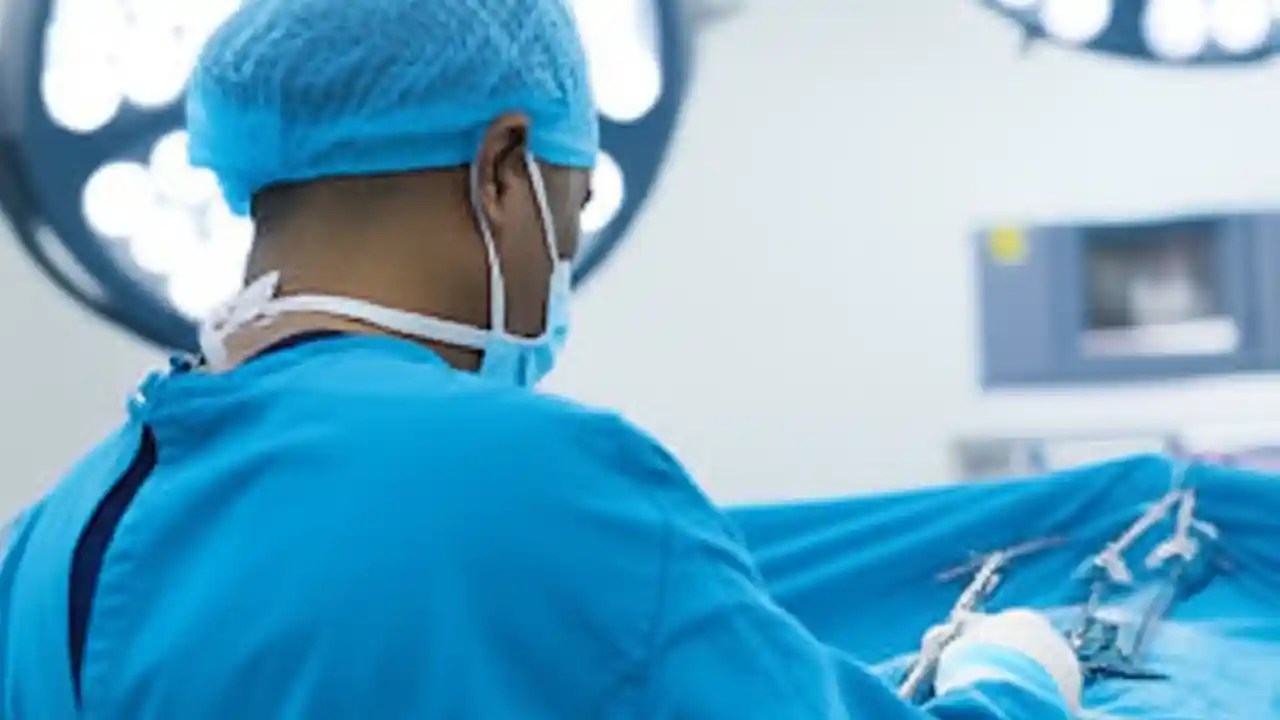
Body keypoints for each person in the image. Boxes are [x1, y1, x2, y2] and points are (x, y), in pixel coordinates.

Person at [0, 0, 1082, 717]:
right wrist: (1012, 678)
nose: (562, 254)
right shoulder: (540, 479)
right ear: (505, 170)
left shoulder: (42, 550)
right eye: (573, 207)